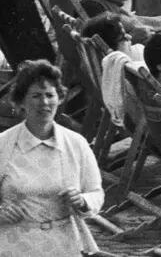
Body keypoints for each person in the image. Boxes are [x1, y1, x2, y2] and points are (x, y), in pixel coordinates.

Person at [0, 60, 104, 253]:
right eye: (36, 96)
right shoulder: (3, 144)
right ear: (21, 101)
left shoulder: (76, 143)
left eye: (50, 95)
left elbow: (96, 194)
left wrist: (82, 201)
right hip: (12, 244)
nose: (45, 102)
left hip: (63, 243)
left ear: (60, 98)